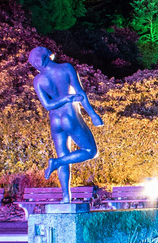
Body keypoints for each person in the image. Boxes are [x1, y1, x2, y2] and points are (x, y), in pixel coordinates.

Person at [28, 47, 104, 203]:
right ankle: (56, 163)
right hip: (69, 116)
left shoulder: (38, 80)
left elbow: (48, 105)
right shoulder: (65, 68)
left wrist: (62, 99)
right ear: (49, 56)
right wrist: (93, 115)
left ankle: (65, 197)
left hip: (55, 120)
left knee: (64, 153)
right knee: (91, 151)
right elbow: (80, 93)